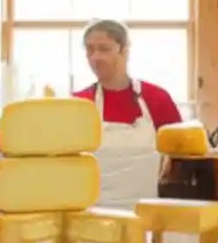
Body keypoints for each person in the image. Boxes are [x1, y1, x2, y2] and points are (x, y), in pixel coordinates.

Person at [73, 19, 183, 209]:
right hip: (92, 217)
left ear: (124, 51)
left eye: (104, 49)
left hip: (144, 215)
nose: (95, 57)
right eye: (90, 50)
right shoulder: (78, 104)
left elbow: (179, 156)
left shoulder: (156, 99)